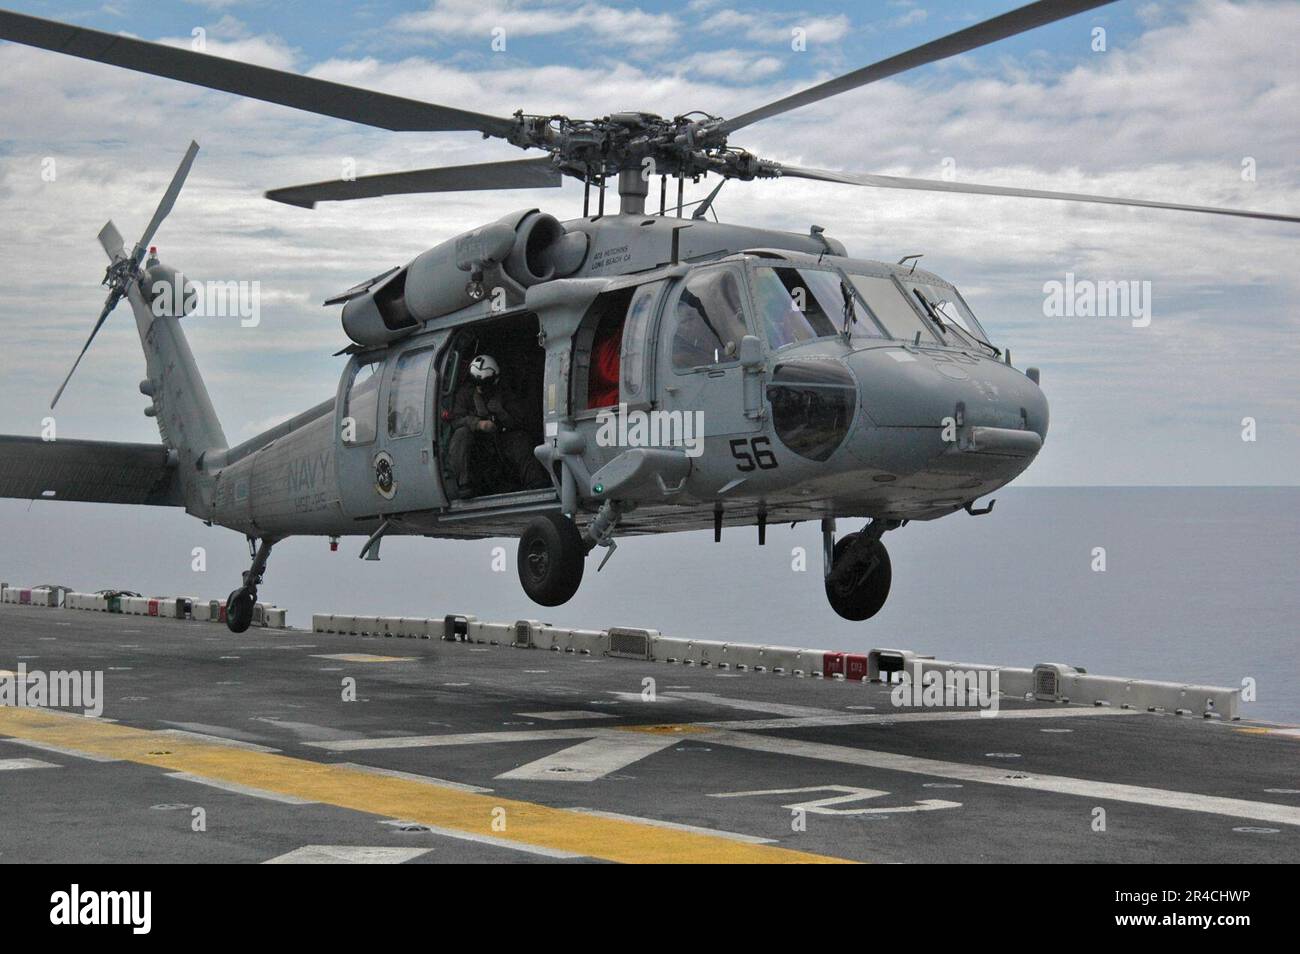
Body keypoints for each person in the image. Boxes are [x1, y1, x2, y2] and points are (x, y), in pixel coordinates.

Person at [448, 354, 550, 498]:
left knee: (521, 441)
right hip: (478, 445)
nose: (480, 388)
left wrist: (501, 413)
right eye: (476, 382)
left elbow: (521, 419)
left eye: (484, 383)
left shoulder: (503, 393)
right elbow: (456, 420)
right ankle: (465, 483)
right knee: (461, 435)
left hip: (502, 439)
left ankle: (536, 482)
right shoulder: (465, 394)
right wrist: (478, 424)